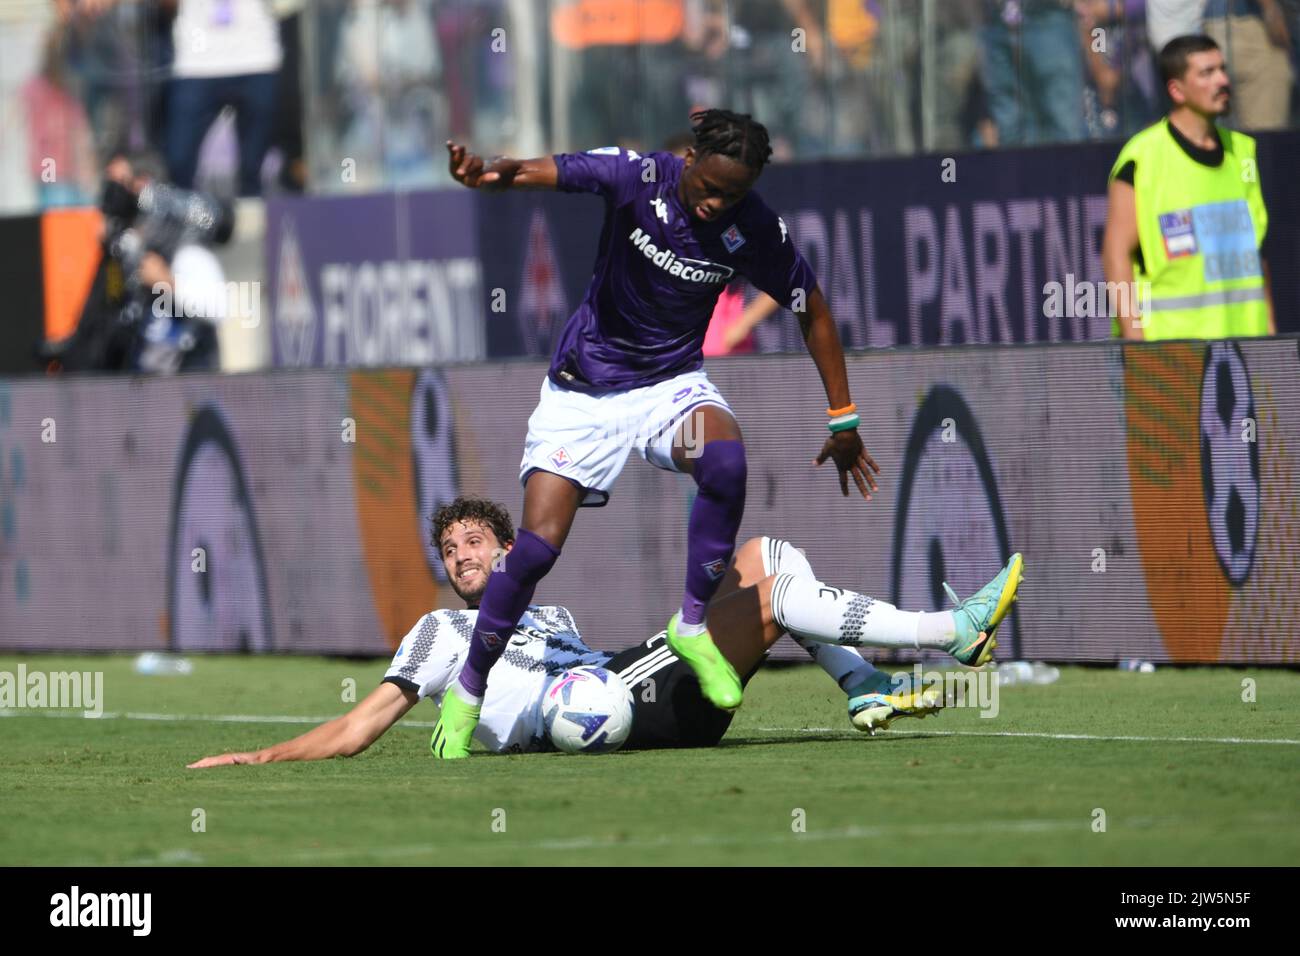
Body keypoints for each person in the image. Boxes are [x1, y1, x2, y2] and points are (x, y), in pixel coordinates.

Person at [433, 109, 879, 759]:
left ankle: (692, 625)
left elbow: (814, 309)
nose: (716, 204)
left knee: (723, 462)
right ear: (691, 159)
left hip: (669, 391)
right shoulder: (635, 176)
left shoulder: (752, 228)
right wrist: (486, 175)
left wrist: (843, 418)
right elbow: (541, 170)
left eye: (733, 194)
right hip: (582, 397)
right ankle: (468, 691)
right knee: (535, 551)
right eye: (710, 188)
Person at [187, 497, 1022, 765]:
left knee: (768, 554)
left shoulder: (544, 610)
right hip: (614, 705)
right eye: (449, 549)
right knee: (770, 590)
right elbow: (361, 724)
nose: (459, 555)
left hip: (629, 685)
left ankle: (864, 685)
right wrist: (266, 755)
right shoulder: (439, 632)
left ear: (510, 550)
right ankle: (951, 630)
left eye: (474, 541)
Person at [1102, 34, 1276, 340]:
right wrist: (1135, 343)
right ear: (1176, 90)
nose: (1222, 80)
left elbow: (1256, 256)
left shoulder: (1243, 153)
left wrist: (1271, 339)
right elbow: (1116, 256)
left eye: (1222, 69)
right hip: (1171, 357)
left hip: (1247, 349)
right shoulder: (1142, 158)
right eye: (1207, 73)